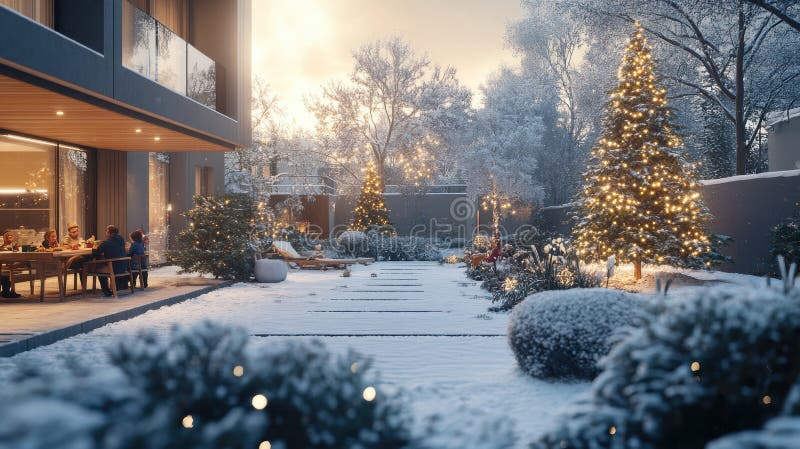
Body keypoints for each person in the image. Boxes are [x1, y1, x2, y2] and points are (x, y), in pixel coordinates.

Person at [91, 225, 127, 297]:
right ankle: (117, 287)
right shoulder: (121, 239)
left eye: (107, 232)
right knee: (106, 264)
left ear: (110, 234)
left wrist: (95, 245)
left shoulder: (106, 243)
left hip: (113, 268)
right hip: (124, 266)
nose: (105, 233)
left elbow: (95, 254)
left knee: (99, 269)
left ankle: (106, 291)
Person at [0, 231, 21, 298]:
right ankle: (6, 292)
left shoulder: (14, 247)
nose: (10, 238)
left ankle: (7, 291)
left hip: (12, 265)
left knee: (5, 274)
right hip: (5, 266)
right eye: (7, 236)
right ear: (4, 238)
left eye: (11, 236)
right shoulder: (2, 247)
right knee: (5, 274)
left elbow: (19, 257)